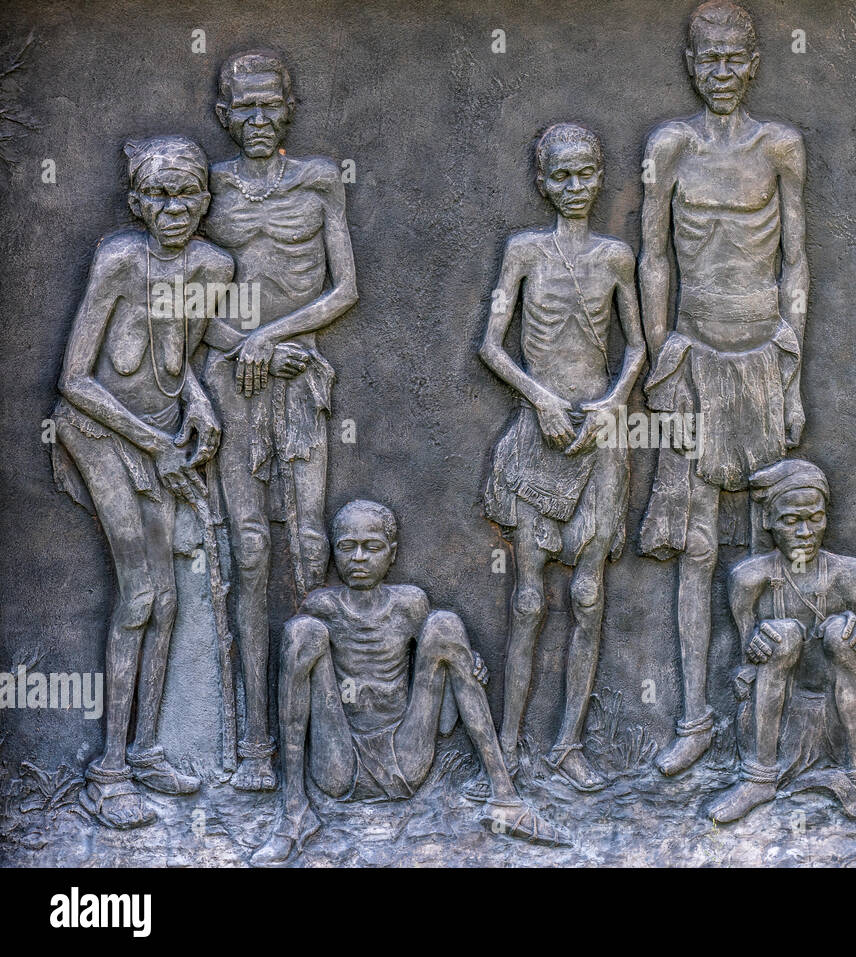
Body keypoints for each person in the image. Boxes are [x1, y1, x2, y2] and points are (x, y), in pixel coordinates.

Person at [639, 0, 809, 776]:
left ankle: (765, 715)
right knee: (698, 544)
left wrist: (792, 362)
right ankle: (695, 717)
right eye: (707, 59)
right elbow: (653, 258)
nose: (721, 73)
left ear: (754, 62)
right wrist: (656, 352)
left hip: (762, 354)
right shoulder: (669, 147)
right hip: (696, 355)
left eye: (734, 58)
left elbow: (796, 261)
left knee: (771, 540)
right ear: (687, 62)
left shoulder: (781, 146)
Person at [52, 135, 231, 827]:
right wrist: (154, 438)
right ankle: (109, 771)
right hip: (98, 430)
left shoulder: (215, 267)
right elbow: (75, 377)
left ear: (206, 201)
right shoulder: (120, 259)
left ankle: (148, 747)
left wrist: (198, 400)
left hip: (157, 439)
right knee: (143, 593)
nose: (173, 207)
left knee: (169, 603)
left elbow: (171, 354)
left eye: (186, 193)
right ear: (136, 203)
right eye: (158, 196)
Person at [251, 500, 569, 865]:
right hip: (338, 762)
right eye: (346, 547)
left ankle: (504, 798)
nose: (358, 558)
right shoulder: (322, 607)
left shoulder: (409, 604)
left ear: (392, 554)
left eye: (371, 547)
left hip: (405, 756)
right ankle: (294, 811)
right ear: (333, 550)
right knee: (301, 633)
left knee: (445, 625)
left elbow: (444, 660)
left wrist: (468, 659)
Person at [202, 49, 359, 791]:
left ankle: (326, 734)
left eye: (271, 105)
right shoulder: (207, 187)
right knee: (251, 550)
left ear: (288, 108)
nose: (259, 120)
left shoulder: (320, 178)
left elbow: (345, 287)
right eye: (245, 108)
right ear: (225, 115)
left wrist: (280, 338)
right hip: (234, 380)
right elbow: (189, 295)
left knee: (308, 542)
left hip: (300, 378)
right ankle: (256, 744)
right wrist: (243, 345)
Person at [479, 123, 644, 791]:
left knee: (587, 593)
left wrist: (613, 401)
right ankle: (510, 747)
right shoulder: (523, 251)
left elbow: (636, 345)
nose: (576, 187)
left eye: (586, 174)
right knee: (526, 598)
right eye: (562, 176)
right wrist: (540, 398)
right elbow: (491, 344)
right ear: (543, 182)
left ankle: (568, 744)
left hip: (599, 441)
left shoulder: (616, 257)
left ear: (601, 175)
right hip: (536, 435)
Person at [706, 460, 856, 825]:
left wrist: (854, 629)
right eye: (790, 520)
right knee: (780, 637)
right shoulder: (749, 579)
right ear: (769, 521)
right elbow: (745, 669)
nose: (804, 531)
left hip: (834, 714)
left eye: (814, 518)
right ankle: (759, 778)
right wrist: (758, 647)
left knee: (841, 634)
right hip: (777, 719)